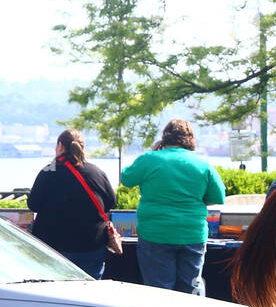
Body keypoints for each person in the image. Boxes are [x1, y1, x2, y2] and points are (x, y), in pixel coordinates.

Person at [120, 119, 226, 294]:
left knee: (160, 293)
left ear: (164, 139)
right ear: (190, 139)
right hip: (192, 234)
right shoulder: (202, 164)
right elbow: (219, 197)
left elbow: (127, 178)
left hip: (155, 234)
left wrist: (153, 153)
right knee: (191, 289)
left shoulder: (150, 159)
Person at [27, 128, 117, 278]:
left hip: (54, 244)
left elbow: (33, 204)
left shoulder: (48, 171)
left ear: (60, 146)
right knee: (89, 292)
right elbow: (111, 202)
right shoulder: (96, 172)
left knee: (57, 292)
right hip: (91, 243)